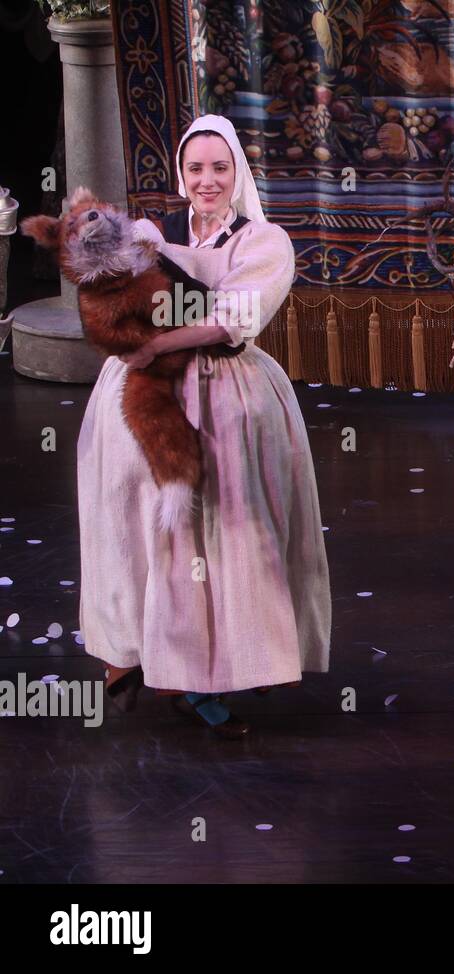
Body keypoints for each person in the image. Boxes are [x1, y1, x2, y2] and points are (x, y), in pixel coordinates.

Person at [82, 114, 331, 738]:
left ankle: (205, 671)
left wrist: (156, 340)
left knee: (221, 534)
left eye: (220, 167)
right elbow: (106, 293)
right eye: (196, 168)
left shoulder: (263, 242)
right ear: (181, 174)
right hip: (144, 395)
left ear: (237, 172)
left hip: (227, 397)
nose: (208, 180)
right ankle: (148, 656)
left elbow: (232, 317)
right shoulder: (148, 233)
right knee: (143, 525)